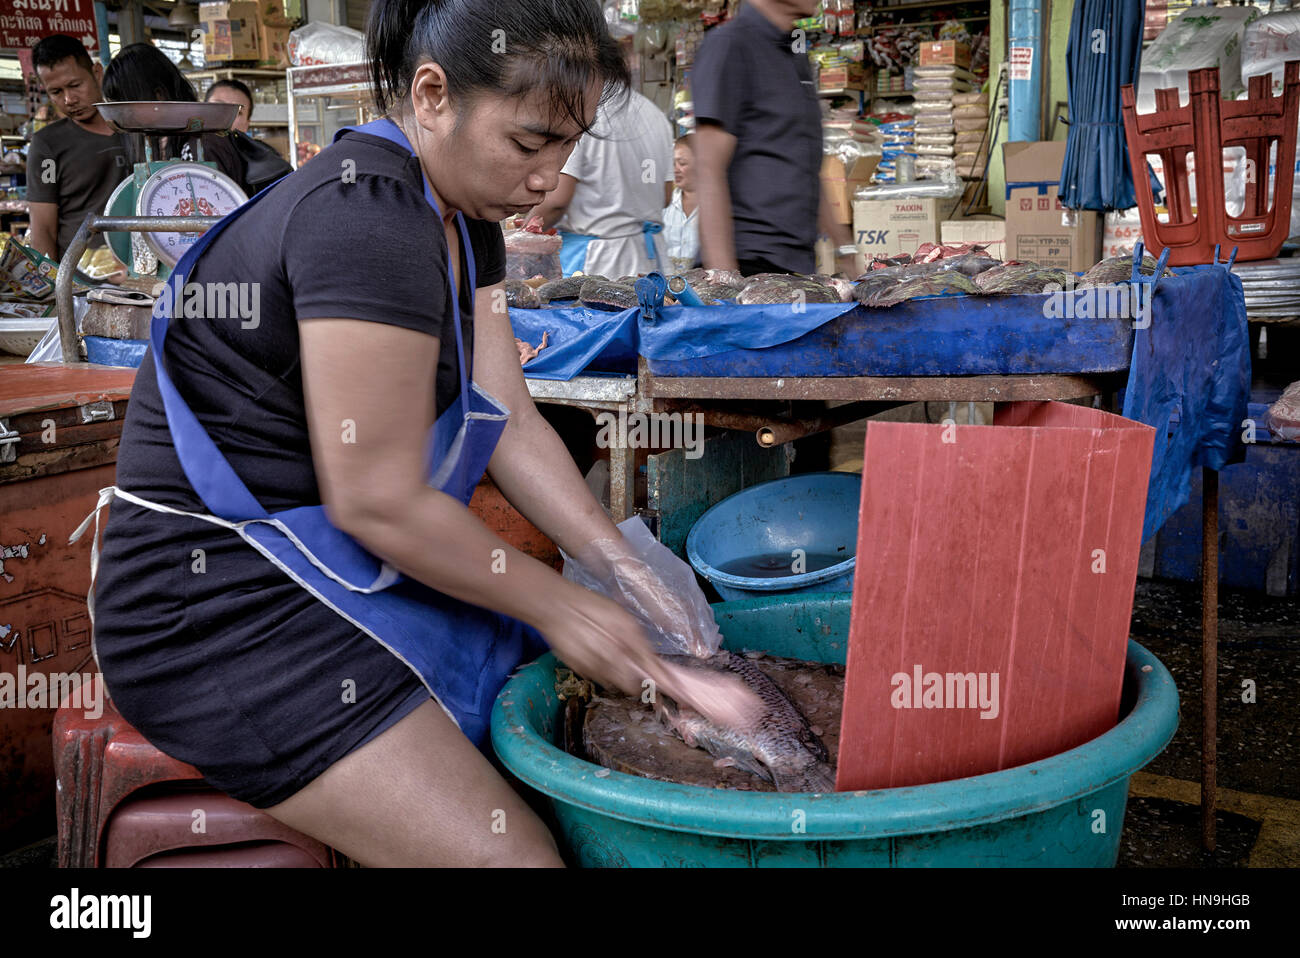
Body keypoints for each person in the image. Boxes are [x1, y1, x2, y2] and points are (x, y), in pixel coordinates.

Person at [87, 0, 754, 868]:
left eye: (566, 145)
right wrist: (563, 605)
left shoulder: (464, 223)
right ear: (432, 94)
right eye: (528, 143)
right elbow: (379, 501)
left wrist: (619, 562)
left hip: (332, 573)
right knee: (517, 859)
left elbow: (506, 412)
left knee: (559, 713)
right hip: (218, 616)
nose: (551, 179)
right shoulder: (366, 218)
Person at [691, 0, 853, 276]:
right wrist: (726, 284)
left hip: (795, 267)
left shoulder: (794, 54)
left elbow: (806, 169)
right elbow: (708, 168)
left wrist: (845, 250)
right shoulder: (730, 45)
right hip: (748, 266)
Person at [521, 85, 673, 277]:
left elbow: (557, 202)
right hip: (652, 257)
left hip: (599, 261)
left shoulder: (581, 111)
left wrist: (524, 239)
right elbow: (666, 196)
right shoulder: (653, 114)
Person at [101, 43, 256, 197]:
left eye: (127, 102)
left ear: (158, 95)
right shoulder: (158, 142)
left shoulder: (201, 145)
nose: (122, 113)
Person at [25, 35, 128, 261]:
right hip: (81, 280)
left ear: (97, 73)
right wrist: (54, 289)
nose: (69, 99)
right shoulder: (47, 149)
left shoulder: (134, 129)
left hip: (143, 270)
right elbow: (43, 229)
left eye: (75, 85)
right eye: (56, 92)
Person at [661, 134, 699, 273]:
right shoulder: (664, 206)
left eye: (682, 163)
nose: (675, 170)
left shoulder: (716, 210)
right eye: (673, 164)